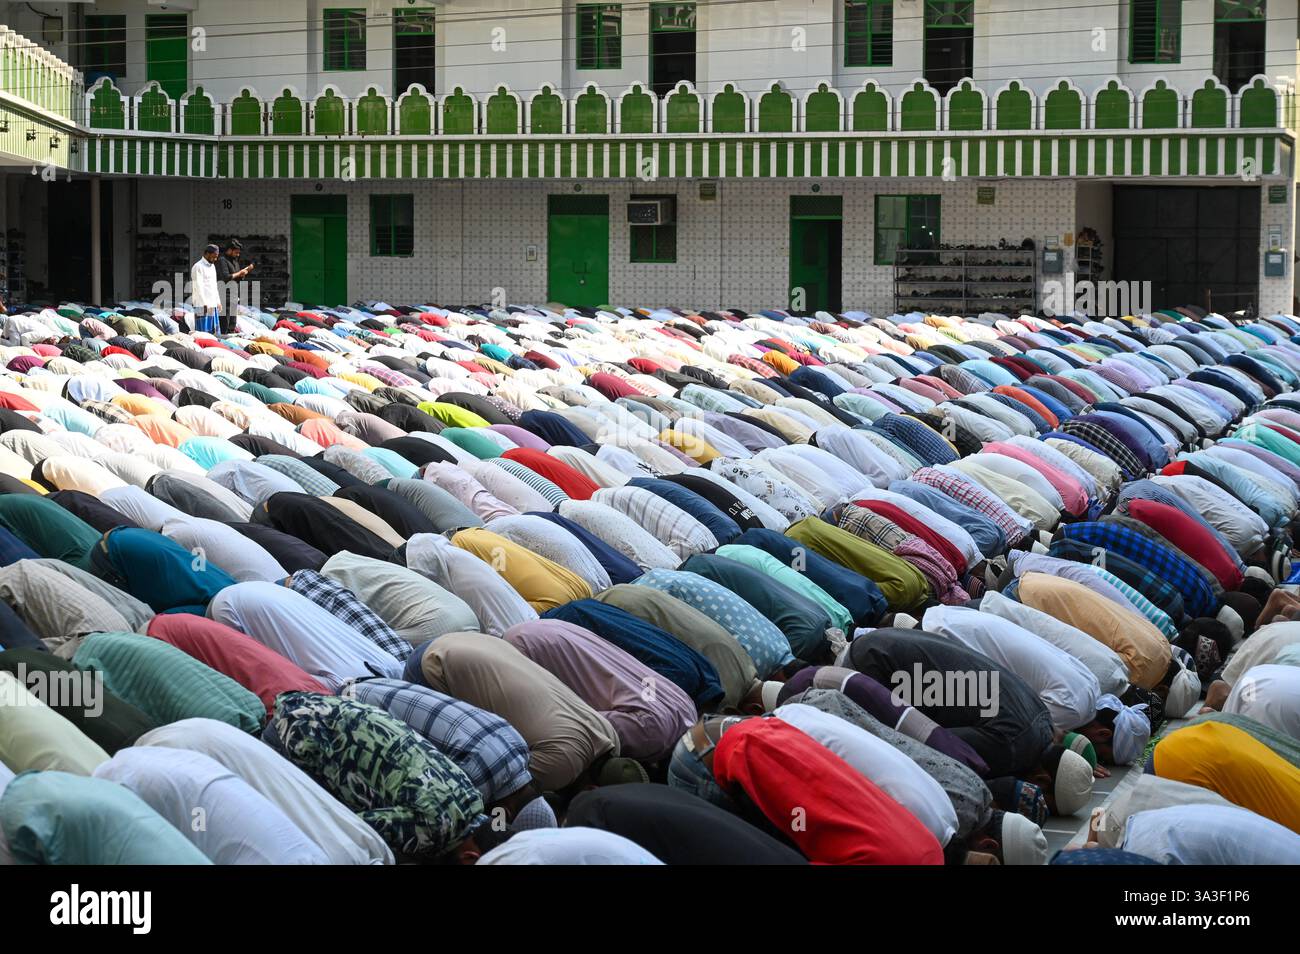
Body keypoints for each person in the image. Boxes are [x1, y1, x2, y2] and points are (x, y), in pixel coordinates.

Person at [215, 238, 254, 333]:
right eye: (236, 252)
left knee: (232, 323)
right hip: (224, 296)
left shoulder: (235, 261)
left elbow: (236, 278)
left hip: (234, 295)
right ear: (229, 250)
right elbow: (225, 277)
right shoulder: (222, 260)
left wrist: (244, 273)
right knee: (224, 323)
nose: (238, 254)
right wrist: (239, 273)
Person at [190, 244, 221, 334]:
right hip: (201, 305)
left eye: (216, 257)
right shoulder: (198, 267)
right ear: (207, 254)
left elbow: (214, 285)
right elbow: (198, 287)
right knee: (202, 333)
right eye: (213, 257)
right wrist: (204, 304)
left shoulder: (212, 266)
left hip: (212, 304)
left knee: (214, 333)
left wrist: (218, 301)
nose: (215, 259)